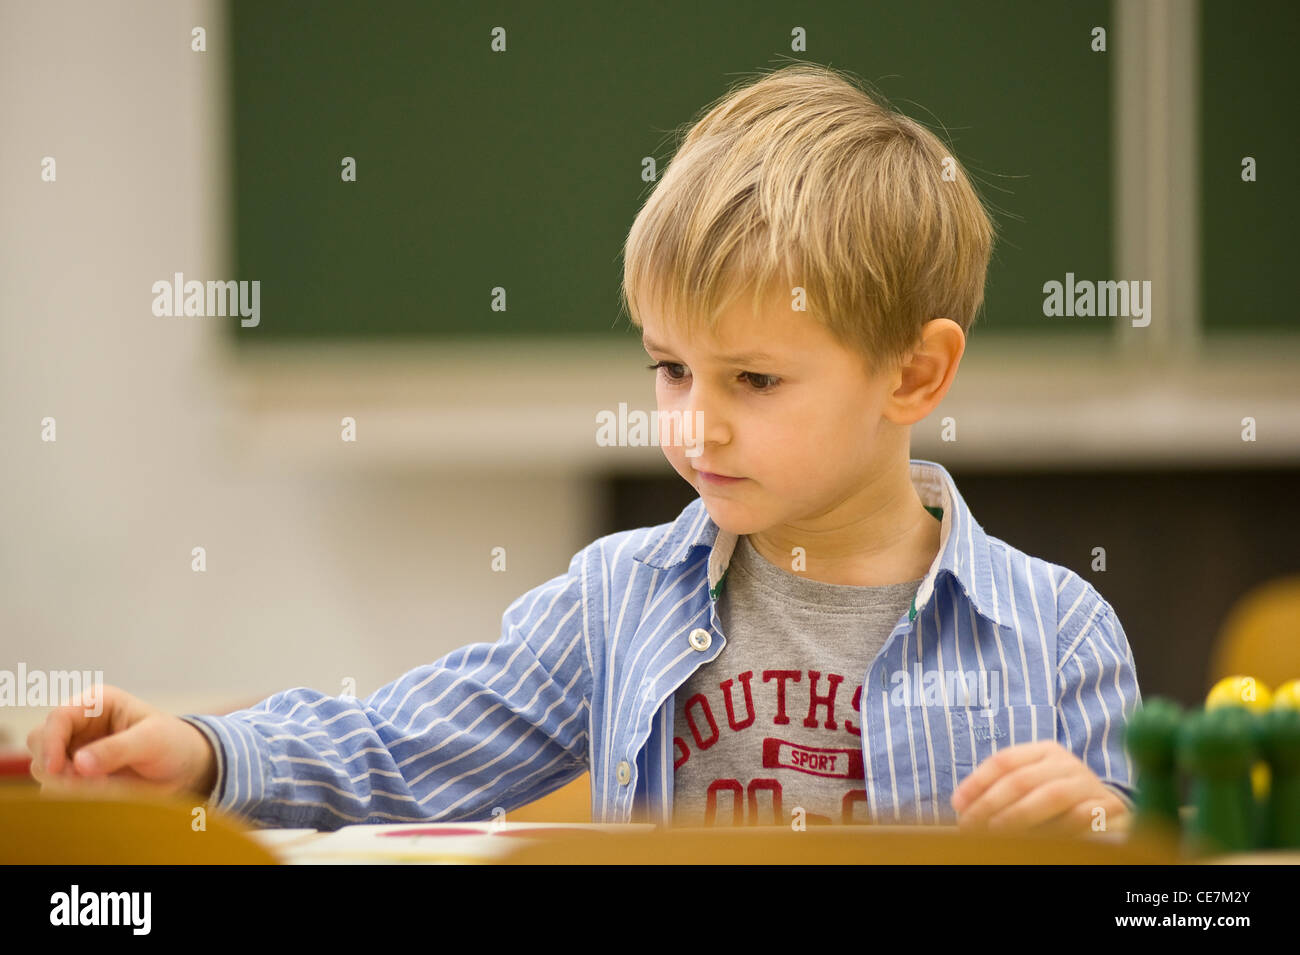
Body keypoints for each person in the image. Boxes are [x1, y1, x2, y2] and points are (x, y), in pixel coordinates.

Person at [28, 62, 1139, 835]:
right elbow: (398, 752)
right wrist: (208, 754)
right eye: (669, 369)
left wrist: (1111, 834)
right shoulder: (619, 602)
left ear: (912, 375)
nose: (693, 425)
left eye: (752, 379)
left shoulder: (1057, 633)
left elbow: (1182, 892)